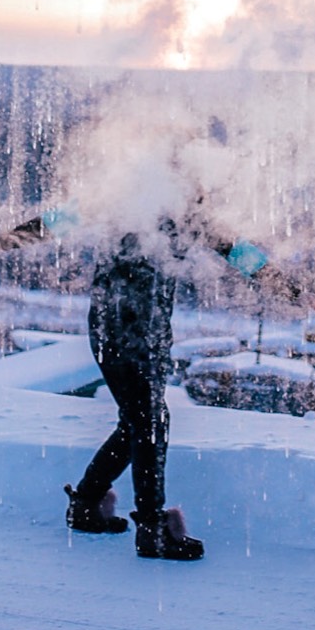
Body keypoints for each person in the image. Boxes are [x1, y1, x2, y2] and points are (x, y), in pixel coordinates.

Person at [64, 229, 206, 561]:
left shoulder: (181, 208)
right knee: (150, 421)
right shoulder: (123, 194)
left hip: (149, 336)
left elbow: (231, 247)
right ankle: (153, 530)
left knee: (138, 421)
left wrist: (288, 288)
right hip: (118, 332)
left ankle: (87, 504)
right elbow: (61, 218)